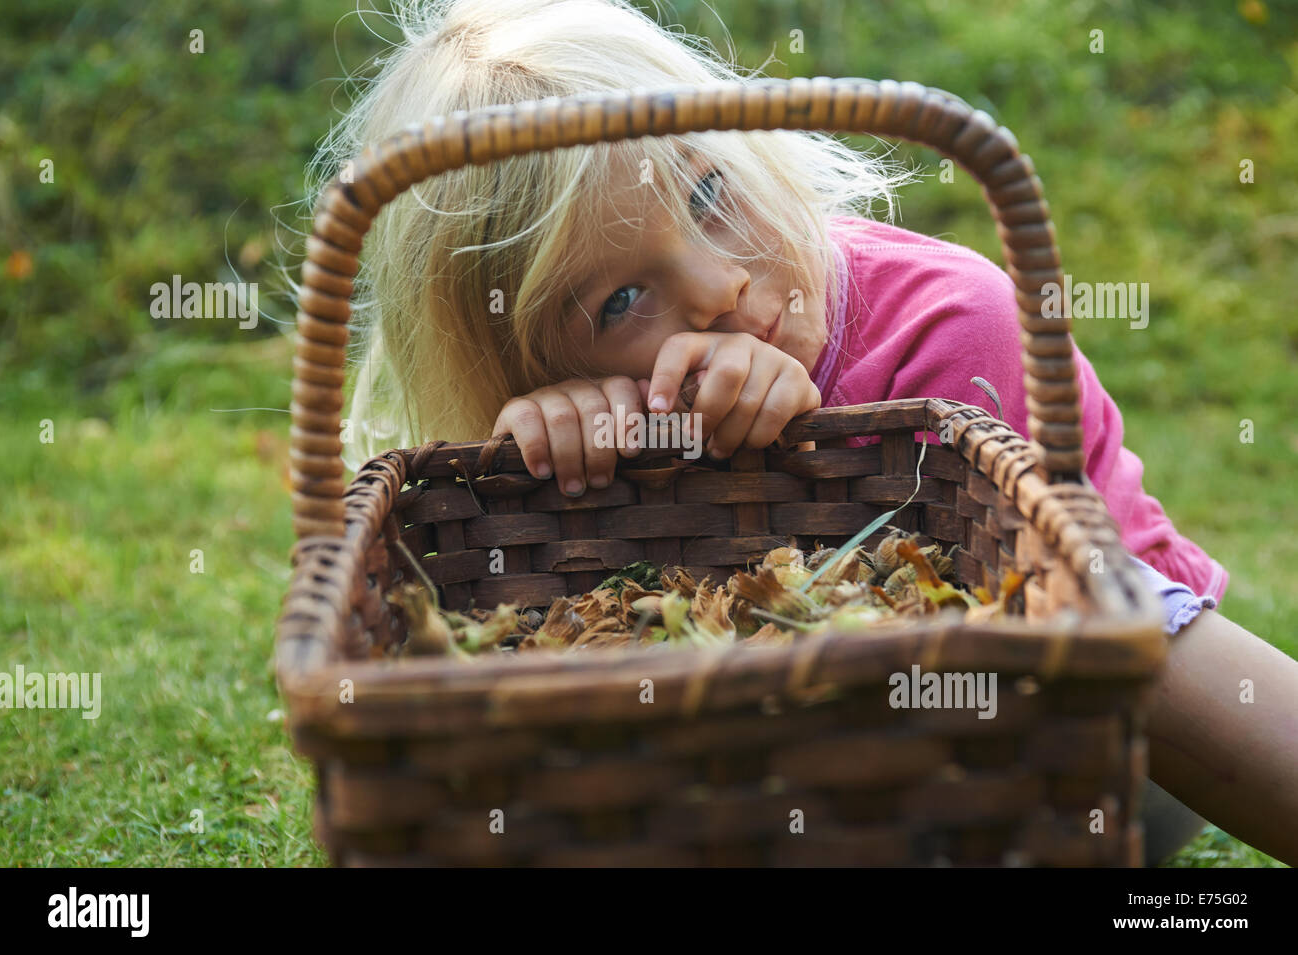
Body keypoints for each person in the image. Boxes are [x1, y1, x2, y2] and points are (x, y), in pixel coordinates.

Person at [314, 0, 1298, 865]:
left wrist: (790, 436)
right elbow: (526, 612)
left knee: (1108, 608)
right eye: (619, 299)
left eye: (708, 195)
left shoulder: (952, 320)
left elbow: (933, 610)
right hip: (772, 791)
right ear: (528, 357)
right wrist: (540, 459)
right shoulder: (595, 409)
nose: (720, 286)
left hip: (1099, 751)